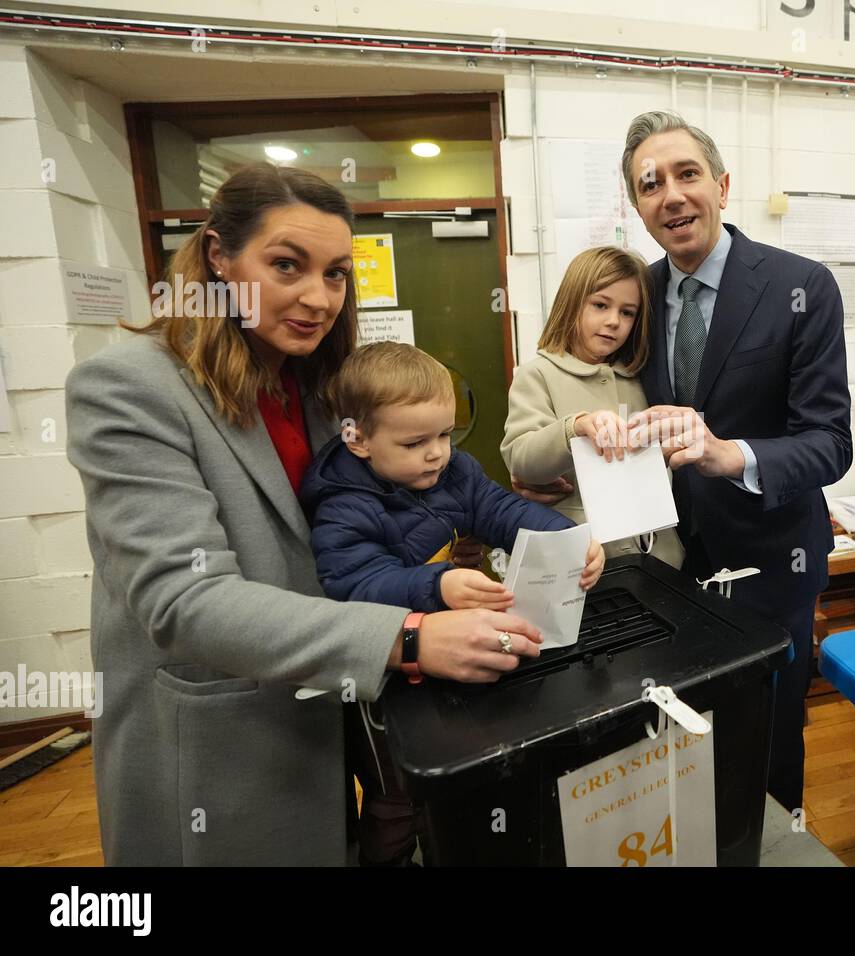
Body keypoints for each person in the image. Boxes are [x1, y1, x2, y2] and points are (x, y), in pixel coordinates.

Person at [65, 164, 542, 865]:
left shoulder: (320, 387)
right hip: (225, 739)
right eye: (287, 265)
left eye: (337, 273)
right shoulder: (130, 387)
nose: (317, 297)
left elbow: (357, 529)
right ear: (219, 256)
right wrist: (408, 636)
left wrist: (438, 560)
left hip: (332, 713)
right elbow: (183, 601)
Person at [521, 111, 852, 814]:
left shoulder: (802, 285)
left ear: (722, 186)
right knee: (670, 743)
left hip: (770, 561)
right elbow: (586, 397)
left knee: (764, 740)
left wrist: (731, 455)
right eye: (650, 183)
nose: (670, 194)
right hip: (663, 565)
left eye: (686, 174)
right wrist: (555, 471)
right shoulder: (632, 294)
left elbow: (830, 442)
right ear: (637, 207)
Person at [301, 340, 604, 865]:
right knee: (396, 800)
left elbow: (502, 510)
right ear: (358, 440)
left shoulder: (454, 470)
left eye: (444, 433)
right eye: (415, 441)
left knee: (463, 779)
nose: (437, 452)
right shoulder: (342, 506)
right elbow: (351, 586)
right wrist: (436, 586)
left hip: (451, 668)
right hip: (384, 690)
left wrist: (568, 538)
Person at [501, 245, 683, 567]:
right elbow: (521, 459)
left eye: (628, 312)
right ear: (572, 304)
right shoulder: (538, 374)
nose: (613, 321)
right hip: (580, 565)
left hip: (656, 559)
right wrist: (574, 428)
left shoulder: (641, 377)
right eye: (600, 305)